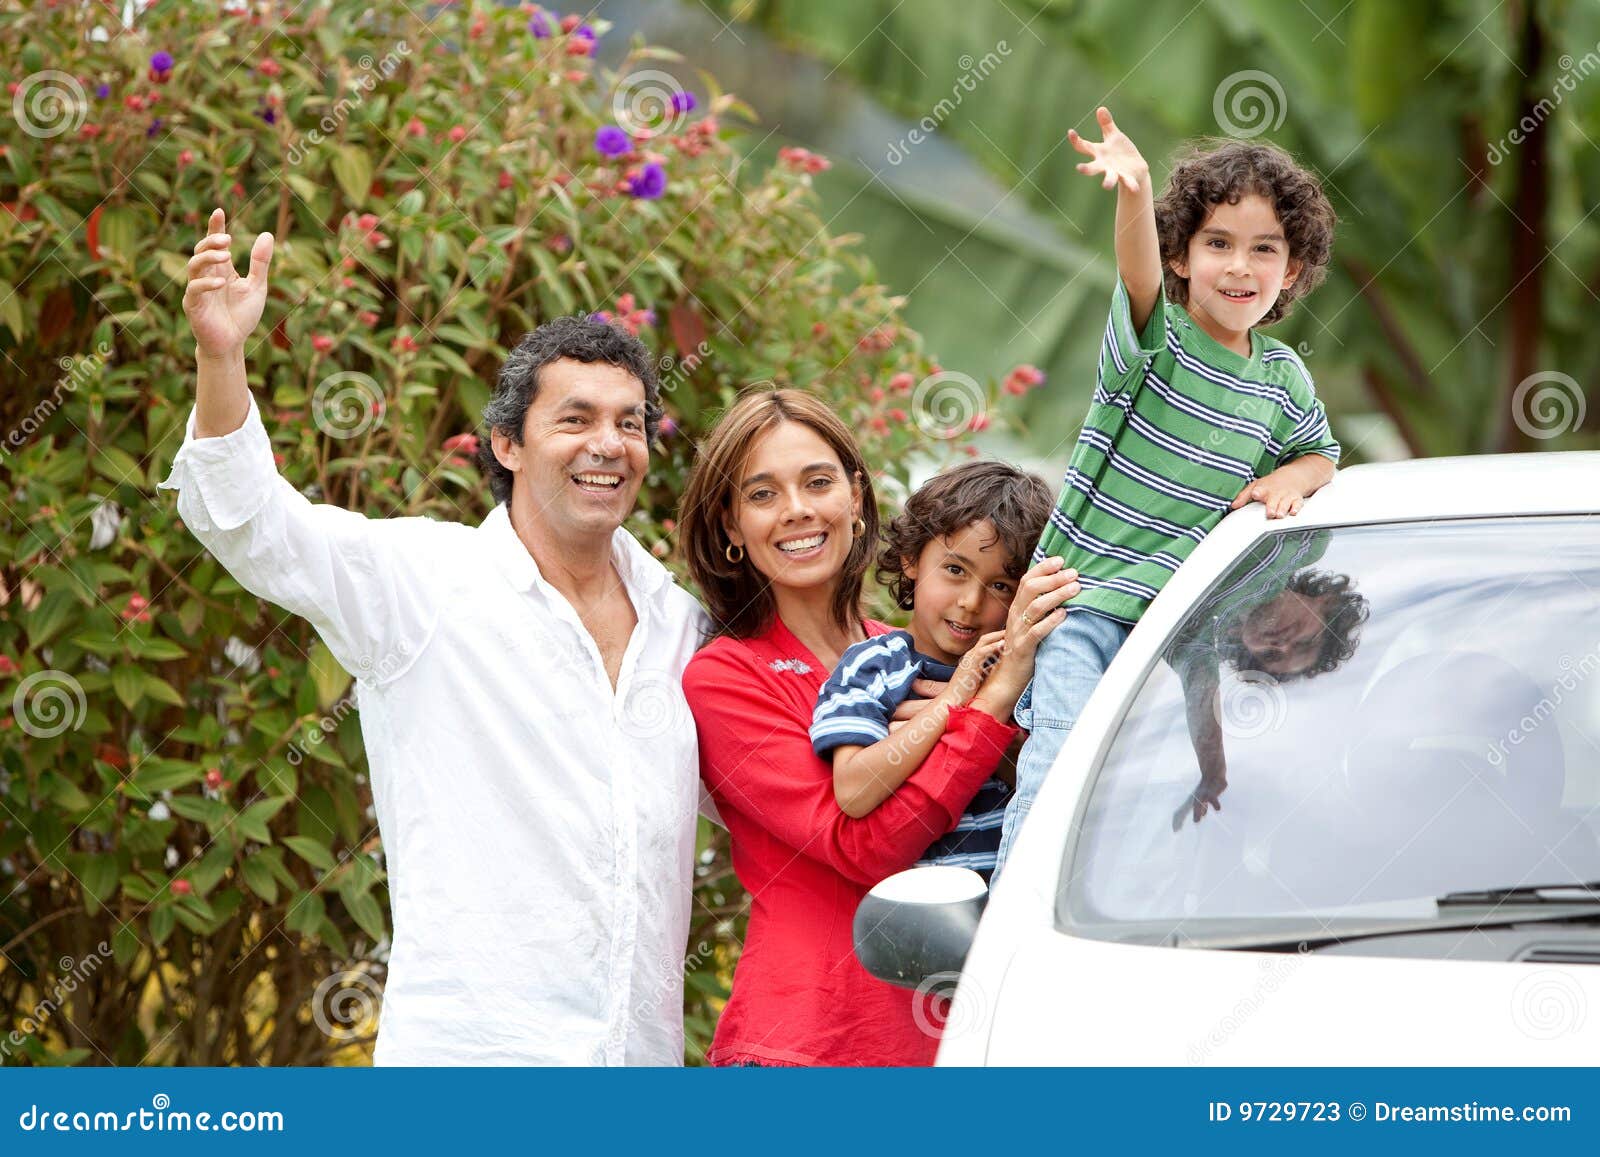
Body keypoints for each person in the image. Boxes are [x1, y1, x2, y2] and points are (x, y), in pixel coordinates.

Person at [162, 208, 710, 1065]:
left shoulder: (680, 625)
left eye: (630, 422)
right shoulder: (422, 582)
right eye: (575, 419)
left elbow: (775, 782)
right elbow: (253, 524)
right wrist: (221, 357)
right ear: (507, 443)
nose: (608, 443)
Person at [677, 388, 1075, 1066]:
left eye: (818, 482)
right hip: (809, 1046)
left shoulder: (927, 650)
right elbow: (863, 850)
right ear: (731, 525)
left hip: (967, 1040)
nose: (798, 509)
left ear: (856, 497)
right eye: (763, 494)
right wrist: (988, 701)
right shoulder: (726, 677)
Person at [996, 108, 1343, 875]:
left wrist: (1289, 476)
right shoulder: (1160, 336)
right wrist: (1136, 190)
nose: (1239, 267)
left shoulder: (1283, 378)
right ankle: (1007, 929)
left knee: (1165, 770)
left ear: (1291, 270)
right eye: (1216, 243)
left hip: (1176, 622)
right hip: (1081, 604)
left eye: (1264, 249)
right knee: (1058, 773)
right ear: (1181, 256)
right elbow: (1134, 270)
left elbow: (1322, 453)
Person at [811, 460, 1057, 882]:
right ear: (911, 560)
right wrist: (950, 702)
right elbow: (853, 790)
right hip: (921, 917)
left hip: (1010, 906)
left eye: (1000, 586)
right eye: (955, 570)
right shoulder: (875, 665)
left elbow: (1054, 787)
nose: (970, 602)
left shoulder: (1029, 673)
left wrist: (995, 714)